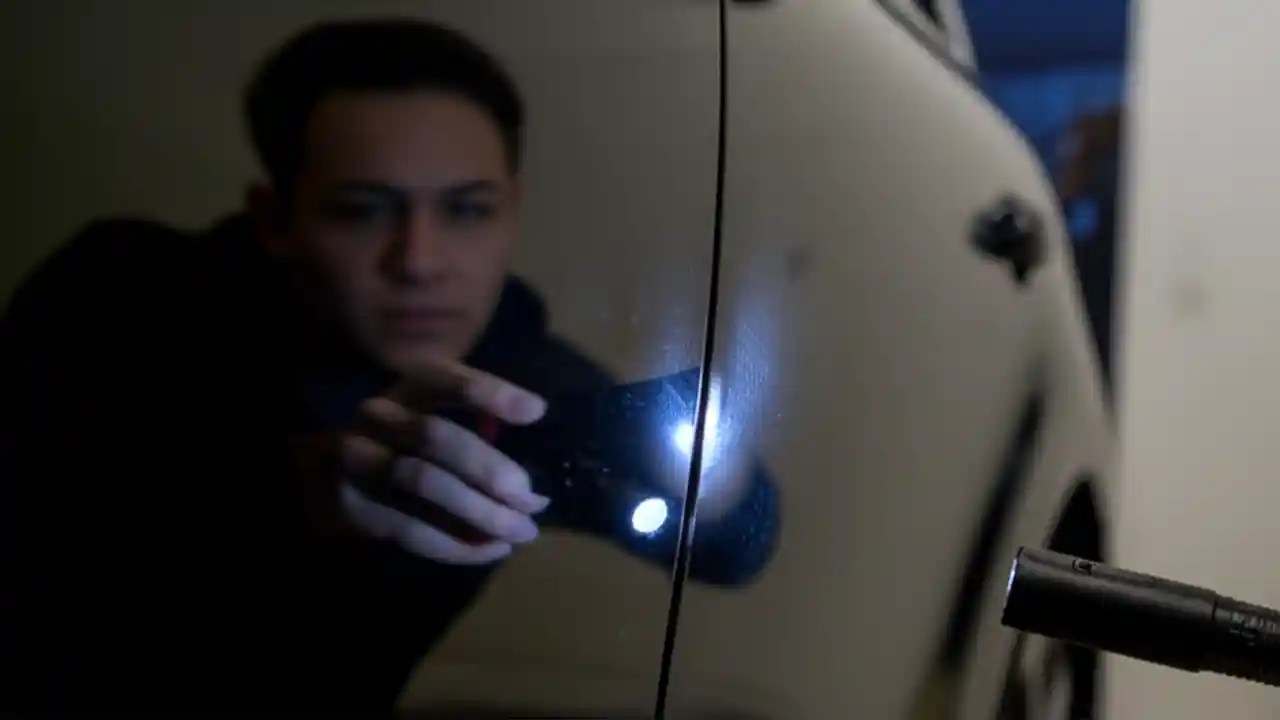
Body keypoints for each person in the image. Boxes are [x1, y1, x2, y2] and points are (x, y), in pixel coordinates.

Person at [0, 18, 777, 712]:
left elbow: (734, 551)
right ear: (275, 219)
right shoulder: (119, 291)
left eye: (468, 209)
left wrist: (715, 479)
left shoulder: (528, 382)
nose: (420, 261)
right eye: (363, 209)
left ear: (513, 210)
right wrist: (275, 498)